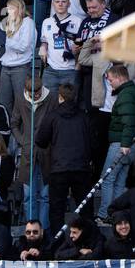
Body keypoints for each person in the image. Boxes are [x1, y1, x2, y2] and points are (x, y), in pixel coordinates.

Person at [36, 83, 95, 233]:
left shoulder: (52, 116)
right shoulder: (84, 116)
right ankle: (88, 242)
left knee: (57, 210)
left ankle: (58, 244)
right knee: (85, 209)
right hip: (81, 168)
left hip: (59, 168)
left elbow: (40, 141)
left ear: (60, 97)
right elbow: (93, 142)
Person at [99, 65, 135, 212]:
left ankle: (104, 214)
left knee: (107, 179)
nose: (110, 83)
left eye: (111, 80)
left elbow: (130, 121)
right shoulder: (134, 92)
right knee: (119, 181)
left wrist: (125, 144)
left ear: (119, 78)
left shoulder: (126, 95)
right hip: (131, 145)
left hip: (121, 144)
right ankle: (117, 214)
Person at [39, 0, 82, 94]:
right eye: (57, 1)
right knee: (49, 104)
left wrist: (77, 67)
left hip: (70, 69)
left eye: (63, 1)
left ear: (69, 4)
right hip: (51, 70)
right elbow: (44, 41)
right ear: (53, 4)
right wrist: (43, 47)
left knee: (68, 105)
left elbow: (83, 45)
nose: (60, 4)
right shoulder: (47, 22)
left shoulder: (77, 21)